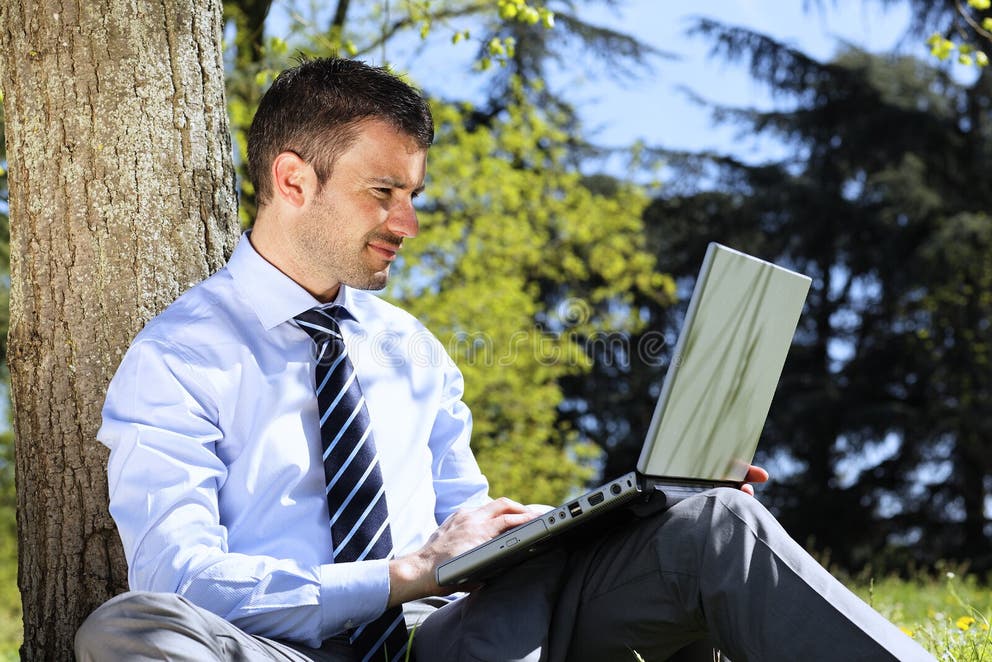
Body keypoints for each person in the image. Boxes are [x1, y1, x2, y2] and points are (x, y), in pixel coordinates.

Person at [75, 57, 933, 662]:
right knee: (128, 629)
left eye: (414, 195)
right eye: (384, 193)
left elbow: (474, 532)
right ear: (294, 181)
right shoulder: (181, 358)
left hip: (465, 642)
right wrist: (400, 575)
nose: (407, 224)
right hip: (284, 652)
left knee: (713, 524)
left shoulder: (411, 349)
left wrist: (627, 510)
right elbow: (179, 576)